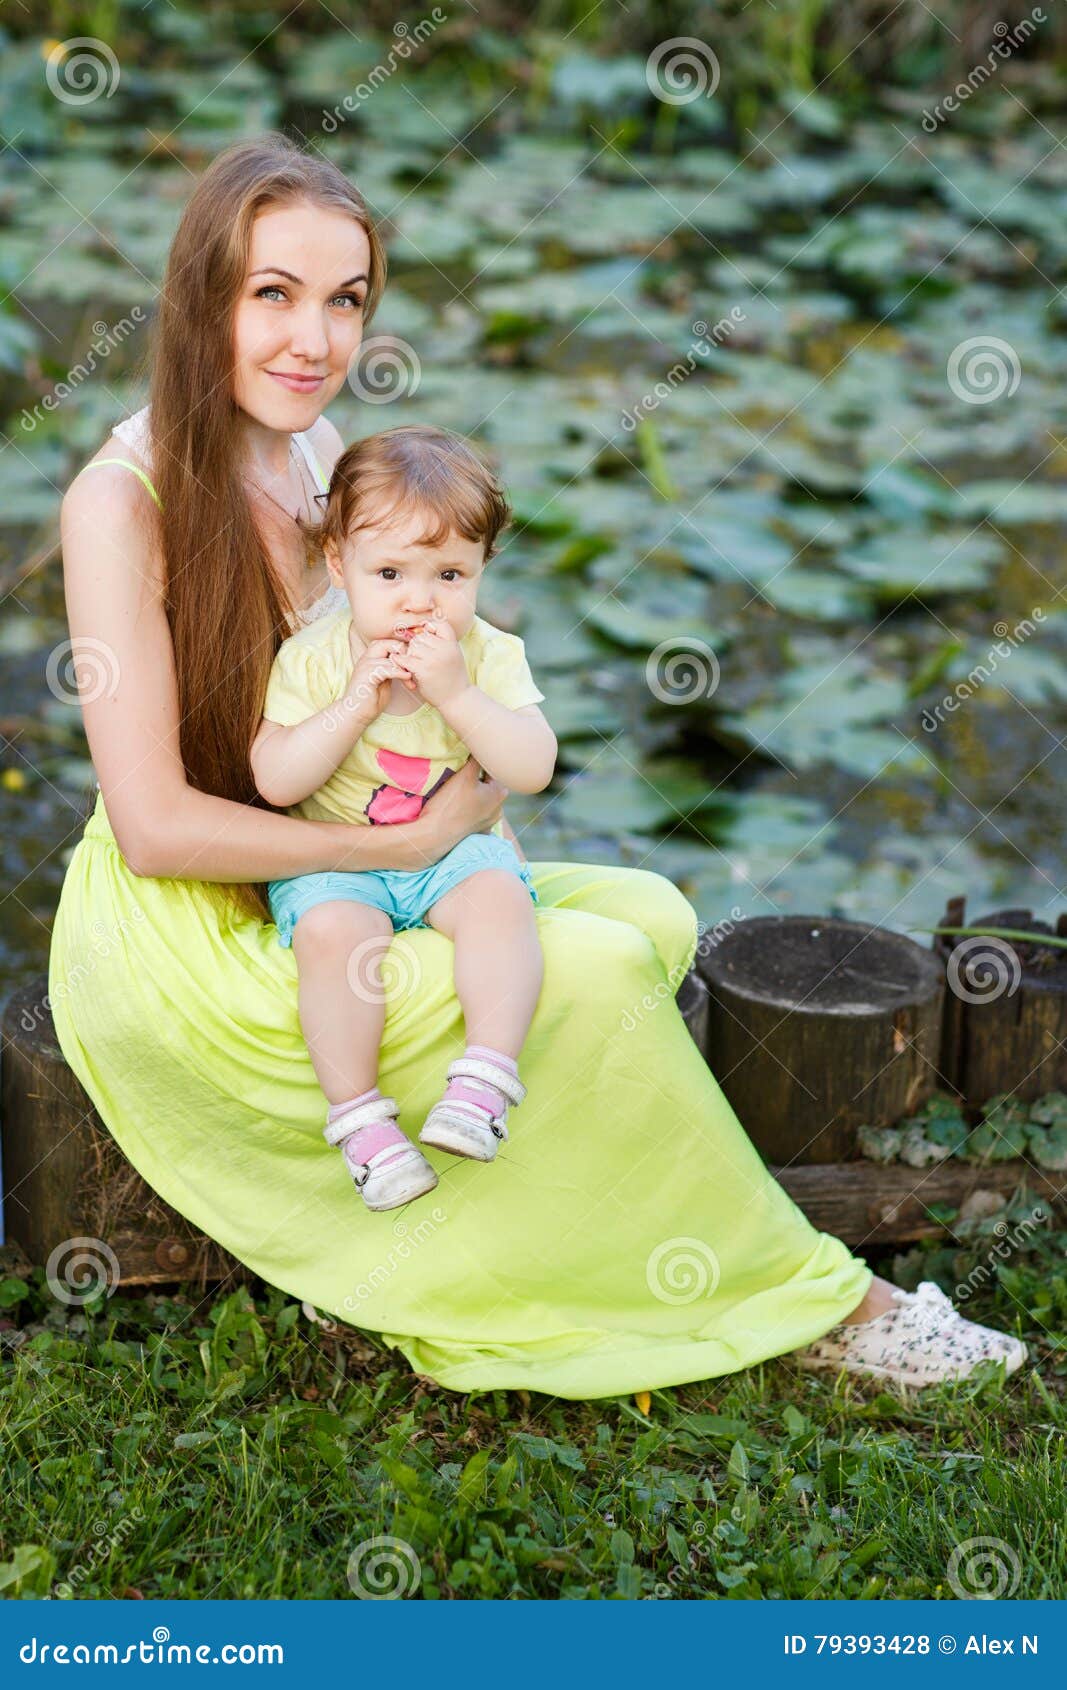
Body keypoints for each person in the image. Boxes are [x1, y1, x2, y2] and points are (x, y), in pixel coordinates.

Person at [49, 131, 1027, 1397]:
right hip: (197, 915)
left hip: (359, 839)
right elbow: (153, 828)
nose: (313, 339)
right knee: (595, 965)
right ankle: (823, 1301)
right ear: (201, 300)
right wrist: (396, 847)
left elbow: (430, 672)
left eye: (345, 300)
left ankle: (568, 1212)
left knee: (654, 911)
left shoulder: (309, 448)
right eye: (271, 294)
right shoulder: (120, 504)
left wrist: (477, 780)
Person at [251, 425, 555, 1211]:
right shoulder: (315, 660)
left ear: (482, 570)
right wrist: (355, 702)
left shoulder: (487, 656)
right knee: (330, 936)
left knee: (499, 899)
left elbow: (532, 767)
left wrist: (458, 696)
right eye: (389, 572)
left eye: (449, 574)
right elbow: (277, 780)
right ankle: (361, 1125)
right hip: (339, 862)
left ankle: (483, 1083)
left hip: (452, 855)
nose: (420, 600)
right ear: (338, 567)